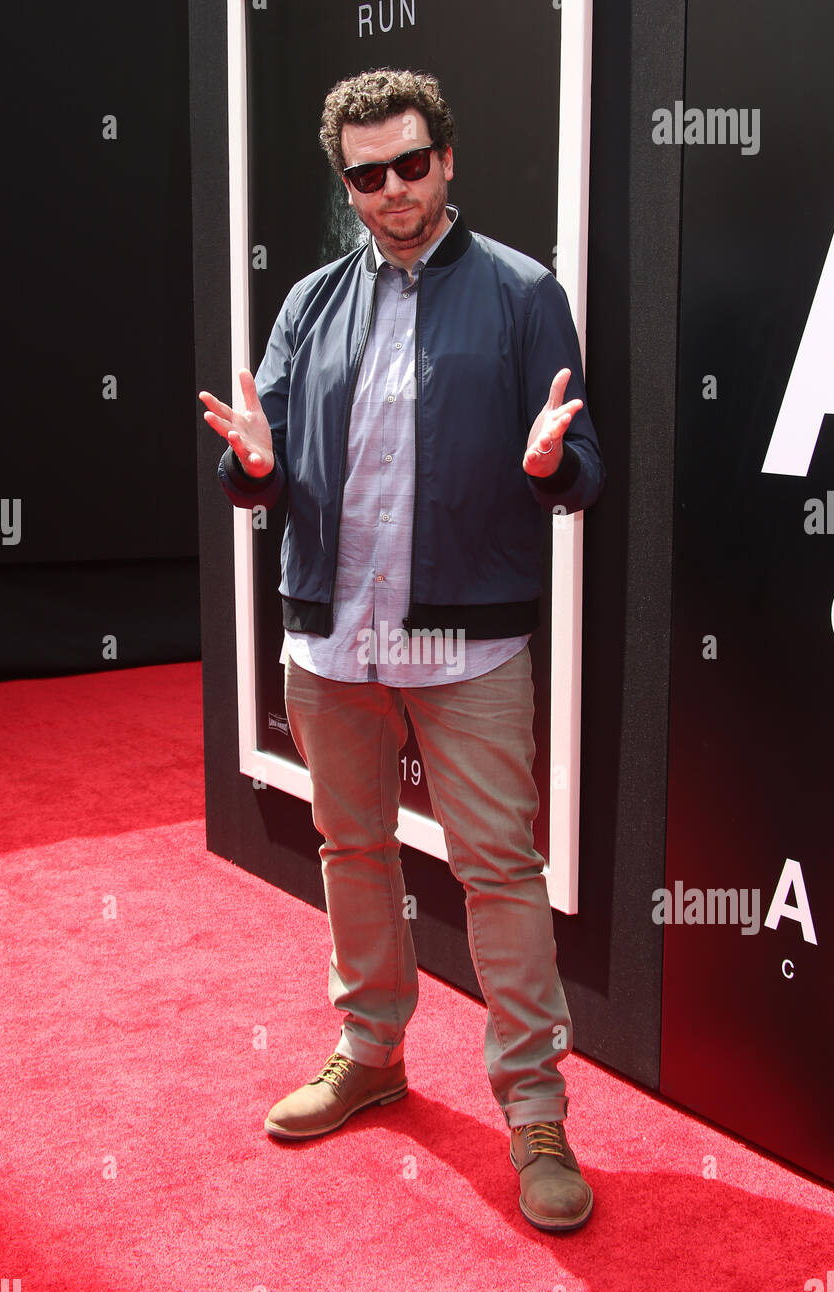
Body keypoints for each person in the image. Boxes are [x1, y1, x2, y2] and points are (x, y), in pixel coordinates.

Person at [200, 68, 604, 1232]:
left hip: (466, 649)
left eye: (411, 163)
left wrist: (549, 470)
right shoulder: (310, 305)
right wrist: (254, 466)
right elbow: (254, 465)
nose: (392, 190)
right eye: (366, 173)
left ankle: (533, 1106)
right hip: (329, 641)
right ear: (347, 182)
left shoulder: (526, 295)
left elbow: (585, 468)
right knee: (351, 847)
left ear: (448, 159)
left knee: (499, 872)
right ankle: (372, 1050)